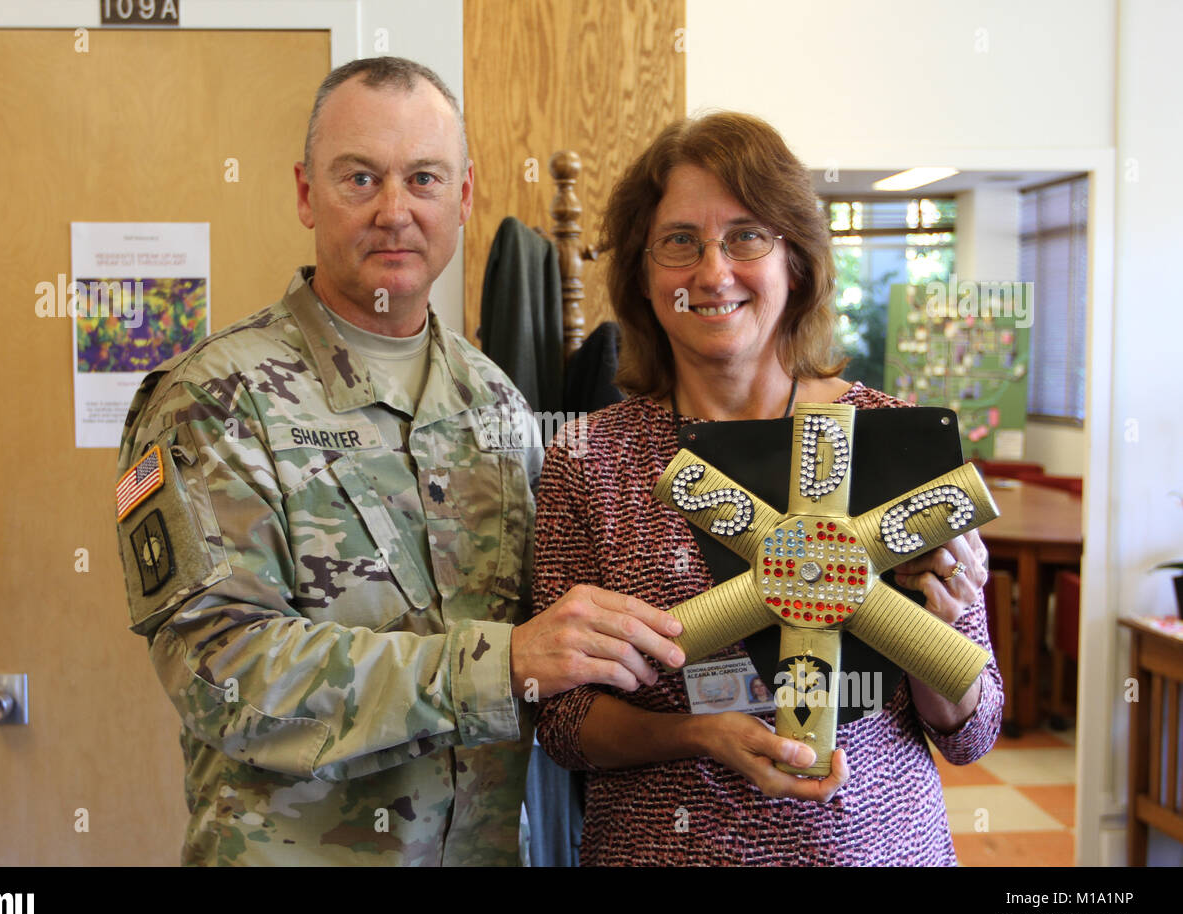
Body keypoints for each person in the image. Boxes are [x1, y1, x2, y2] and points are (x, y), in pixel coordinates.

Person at [113, 56, 684, 866]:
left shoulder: (495, 406)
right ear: (308, 193)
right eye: (360, 179)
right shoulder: (215, 400)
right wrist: (495, 668)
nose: (394, 211)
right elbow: (222, 674)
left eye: (423, 178)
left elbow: (562, 641)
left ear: (463, 197)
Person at [533, 111, 1000, 865]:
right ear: (644, 276)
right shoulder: (591, 457)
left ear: (798, 261)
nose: (712, 272)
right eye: (679, 241)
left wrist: (938, 633)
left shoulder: (895, 442)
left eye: (747, 236)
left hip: (877, 849)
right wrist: (696, 734)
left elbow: (972, 733)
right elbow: (560, 723)